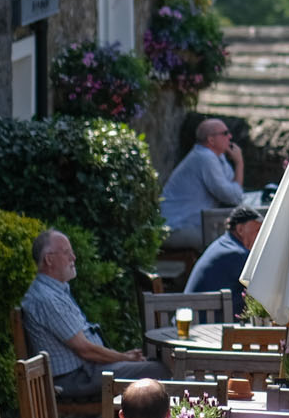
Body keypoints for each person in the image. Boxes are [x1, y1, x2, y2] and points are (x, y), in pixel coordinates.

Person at [18, 228, 168, 399]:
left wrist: (123, 358)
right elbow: (85, 350)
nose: (73, 258)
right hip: (75, 378)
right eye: (67, 253)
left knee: (153, 366)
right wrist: (123, 357)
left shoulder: (55, 291)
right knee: (159, 370)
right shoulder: (46, 298)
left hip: (87, 370)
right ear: (49, 259)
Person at [160, 118, 246, 250]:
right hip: (175, 228)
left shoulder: (217, 157)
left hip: (190, 224)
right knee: (235, 239)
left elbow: (233, 189)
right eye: (225, 133)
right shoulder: (204, 158)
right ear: (211, 140)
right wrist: (239, 163)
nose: (230, 136)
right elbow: (232, 197)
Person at [185, 206, 261, 314]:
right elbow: (263, 288)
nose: (261, 236)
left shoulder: (224, 244)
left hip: (194, 317)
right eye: (258, 230)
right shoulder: (236, 254)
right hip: (201, 325)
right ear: (240, 229)